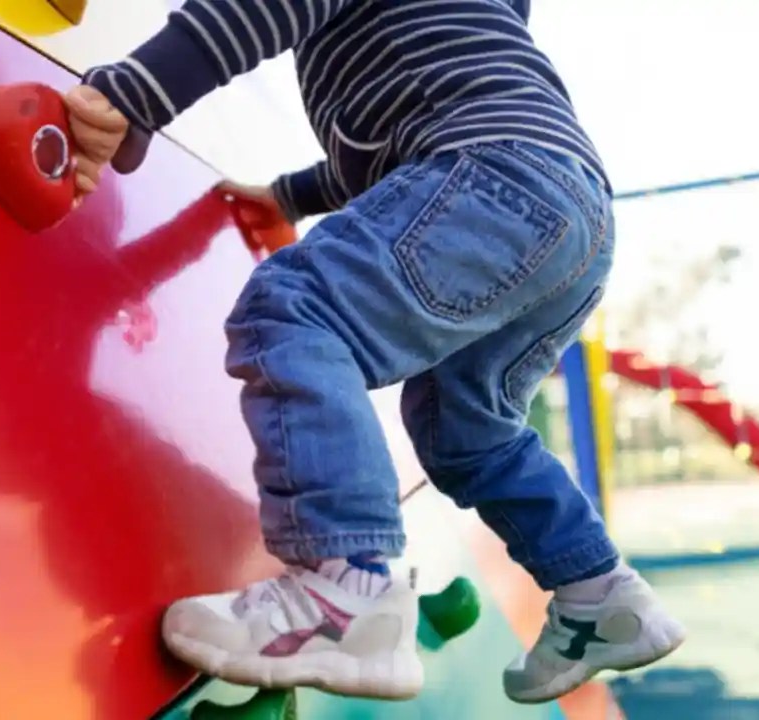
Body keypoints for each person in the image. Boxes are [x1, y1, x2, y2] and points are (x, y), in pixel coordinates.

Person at [64, 0, 685, 704]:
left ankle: (345, 593)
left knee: (298, 310)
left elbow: (257, 13)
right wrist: (288, 195)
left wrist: (133, 94)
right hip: (572, 213)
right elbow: (384, 149)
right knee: (465, 430)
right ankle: (598, 594)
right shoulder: (441, 33)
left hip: (495, 177)